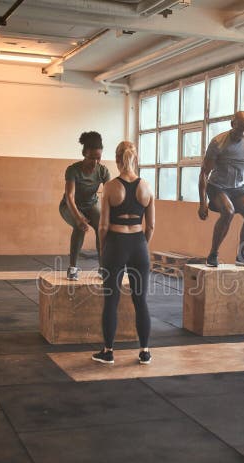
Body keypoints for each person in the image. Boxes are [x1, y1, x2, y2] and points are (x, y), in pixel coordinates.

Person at [92, 141, 156, 365]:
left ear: (117, 159)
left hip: (116, 245)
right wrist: (141, 245)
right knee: (141, 301)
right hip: (139, 245)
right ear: (135, 159)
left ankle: (108, 351)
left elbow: (102, 226)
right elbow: (151, 226)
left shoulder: (110, 187)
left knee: (111, 300)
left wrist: (103, 250)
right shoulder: (147, 187)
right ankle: (145, 351)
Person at [198, 111, 244, 268]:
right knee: (228, 211)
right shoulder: (218, 142)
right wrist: (202, 203)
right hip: (216, 187)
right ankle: (213, 254)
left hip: (237, 188)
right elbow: (204, 173)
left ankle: (241, 255)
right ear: (232, 125)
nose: (242, 133)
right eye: (239, 129)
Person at [59, 131, 111, 280]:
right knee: (79, 226)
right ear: (84, 153)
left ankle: (103, 267)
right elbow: (70, 197)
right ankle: (73, 268)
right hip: (69, 206)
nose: (95, 162)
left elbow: (110, 195)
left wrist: (110, 217)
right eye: (91, 158)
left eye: (98, 158)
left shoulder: (103, 171)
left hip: (91, 205)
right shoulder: (73, 170)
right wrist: (79, 218)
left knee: (102, 227)